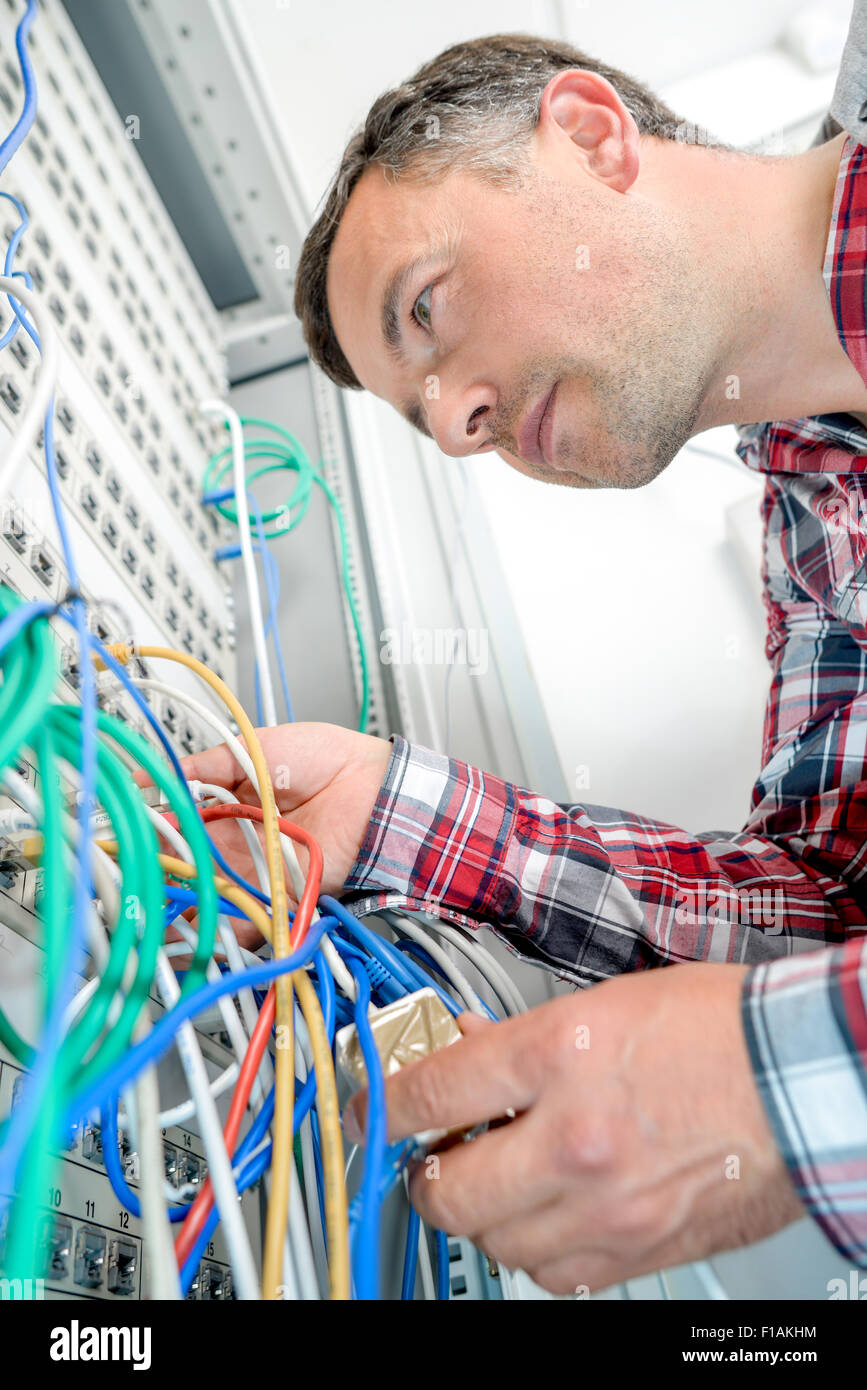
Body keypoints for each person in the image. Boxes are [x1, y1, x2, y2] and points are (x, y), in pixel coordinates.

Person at [188, 17, 867, 1293]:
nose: (453, 424)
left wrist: (787, 1090)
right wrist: (398, 809)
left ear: (592, 135)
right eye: (418, 414)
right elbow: (828, 908)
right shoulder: (819, 510)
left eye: (426, 309)